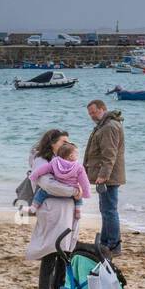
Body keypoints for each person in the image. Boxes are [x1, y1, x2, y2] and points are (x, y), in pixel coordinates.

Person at [83, 100, 126, 257]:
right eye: (90, 114)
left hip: (109, 177)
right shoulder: (105, 125)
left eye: (94, 112)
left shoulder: (109, 127)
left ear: (103, 109)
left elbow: (110, 154)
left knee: (109, 210)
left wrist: (103, 175)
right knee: (106, 209)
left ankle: (114, 246)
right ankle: (105, 242)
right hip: (107, 176)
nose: (92, 116)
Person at [29, 141, 91, 219]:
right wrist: (86, 193)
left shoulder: (54, 162)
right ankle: (77, 210)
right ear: (71, 156)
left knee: (41, 192)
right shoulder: (79, 167)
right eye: (77, 154)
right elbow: (84, 182)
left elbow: (42, 169)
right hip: (71, 194)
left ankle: (34, 207)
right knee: (79, 195)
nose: (78, 156)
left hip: (56, 190)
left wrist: (33, 176)